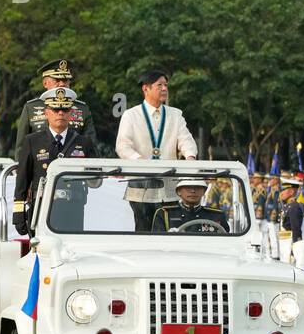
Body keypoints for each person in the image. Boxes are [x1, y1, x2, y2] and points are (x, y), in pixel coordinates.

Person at [114, 69, 197, 230]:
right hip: (140, 183)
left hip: (169, 183)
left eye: (166, 85)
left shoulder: (175, 114)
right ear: (146, 88)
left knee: (169, 229)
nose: (165, 89)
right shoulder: (131, 115)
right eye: (160, 85)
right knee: (143, 231)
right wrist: (140, 162)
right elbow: (122, 145)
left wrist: (190, 158)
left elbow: (186, 140)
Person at [12, 88, 95, 236]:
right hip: (42, 206)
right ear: (46, 113)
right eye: (55, 109)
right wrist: (18, 213)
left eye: (65, 109)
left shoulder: (84, 143)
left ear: (71, 114)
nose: (60, 113)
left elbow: (95, 177)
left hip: (73, 208)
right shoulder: (32, 141)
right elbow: (22, 180)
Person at [15, 58, 100, 153]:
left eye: (65, 80)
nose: (62, 84)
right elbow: (21, 148)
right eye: (57, 80)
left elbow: (92, 145)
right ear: (45, 83)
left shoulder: (81, 108)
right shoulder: (31, 108)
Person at [152, 178, 230, 232]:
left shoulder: (216, 215)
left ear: (203, 192)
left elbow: (226, 242)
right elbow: (158, 242)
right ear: (179, 191)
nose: (193, 191)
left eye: (197, 188)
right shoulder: (165, 213)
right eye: (188, 188)